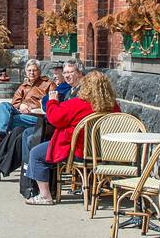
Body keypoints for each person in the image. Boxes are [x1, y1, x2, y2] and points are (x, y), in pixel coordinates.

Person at [24, 70, 119, 205]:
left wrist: (52, 101)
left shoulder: (78, 104)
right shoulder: (114, 107)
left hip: (78, 151)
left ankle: (45, 196)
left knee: (36, 154)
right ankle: (91, 186)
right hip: (105, 152)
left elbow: (55, 118)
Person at [0, 59, 53, 163]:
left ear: (39, 71)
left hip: (37, 118)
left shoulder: (48, 84)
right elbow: (14, 103)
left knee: (4, 121)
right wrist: (21, 105)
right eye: (29, 70)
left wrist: (33, 107)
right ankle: (1, 135)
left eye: (34, 70)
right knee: (3, 106)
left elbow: (52, 104)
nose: (32, 73)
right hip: (23, 115)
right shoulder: (23, 86)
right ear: (26, 72)